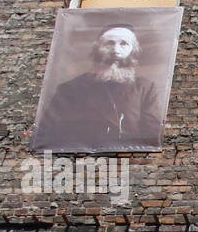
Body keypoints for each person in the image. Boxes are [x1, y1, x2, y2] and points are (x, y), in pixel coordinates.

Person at [33, 24, 164, 152]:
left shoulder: (145, 88)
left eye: (124, 44)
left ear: (133, 51)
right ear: (97, 49)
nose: (115, 51)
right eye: (109, 43)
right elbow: (47, 136)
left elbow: (151, 136)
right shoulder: (70, 89)